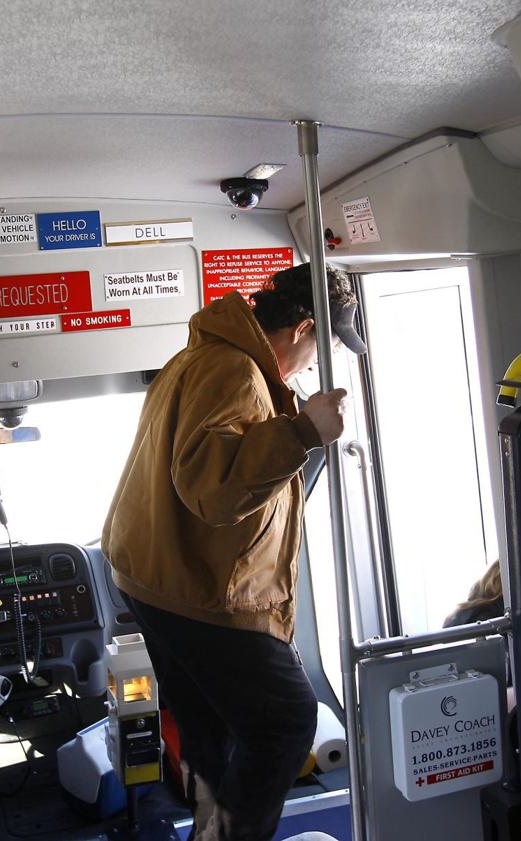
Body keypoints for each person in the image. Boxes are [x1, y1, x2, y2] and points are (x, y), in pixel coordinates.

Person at [102, 264, 365, 841]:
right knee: (287, 723)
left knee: (212, 729)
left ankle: (208, 830)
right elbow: (212, 488)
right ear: (302, 328)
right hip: (198, 588)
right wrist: (300, 434)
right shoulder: (235, 371)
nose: (317, 362)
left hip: (156, 575)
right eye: (321, 345)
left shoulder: (205, 357)